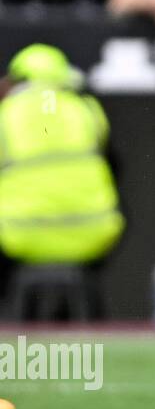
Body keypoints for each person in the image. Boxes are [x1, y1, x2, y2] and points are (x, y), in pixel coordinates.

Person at [0, 43, 124, 318]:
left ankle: (13, 326)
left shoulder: (5, 114)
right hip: (92, 237)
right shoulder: (87, 110)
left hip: (19, 238)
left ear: (16, 80)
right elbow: (115, 170)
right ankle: (84, 320)